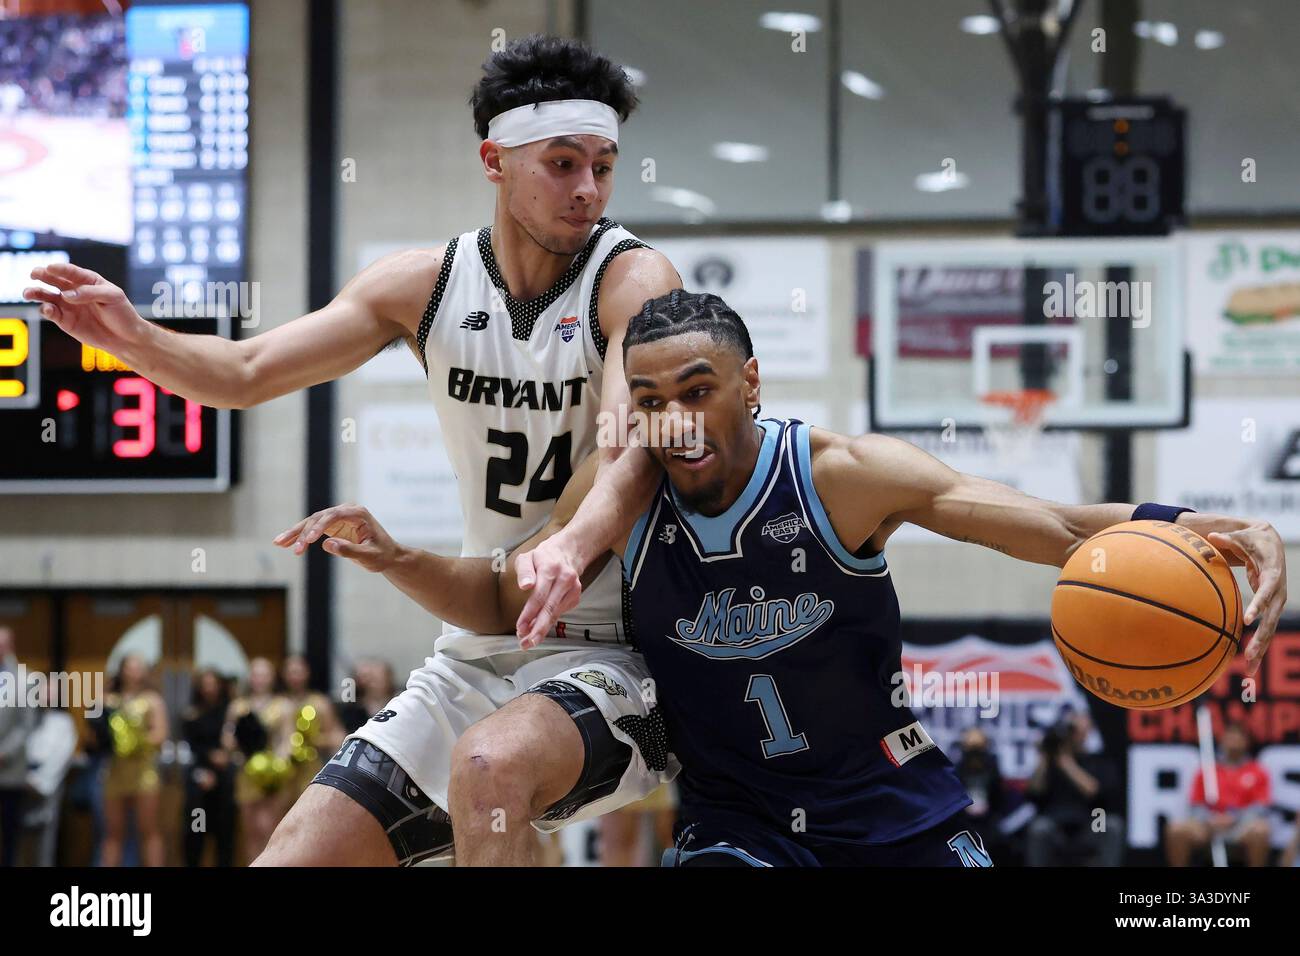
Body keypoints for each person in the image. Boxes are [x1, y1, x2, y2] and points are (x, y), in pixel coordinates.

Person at [289, 291, 1288, 865]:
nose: (675, 417)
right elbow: (507, 601)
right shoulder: (620, 496)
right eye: (649, 399)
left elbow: (1059, 525)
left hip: (898, 817)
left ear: (750, 383)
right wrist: (396, 557)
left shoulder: (841, 477)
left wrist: (1191, 525)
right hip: (742, 827)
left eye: (698, 391)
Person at [27, 33, 680, 867]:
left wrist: (575, 547)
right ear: (495, 160)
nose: (589, 188)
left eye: (604, 164)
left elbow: (634, 442)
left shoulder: (633, 279)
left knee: (489, 770)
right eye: (563, 163)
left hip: (620, 654)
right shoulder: (422, 284)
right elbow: (246, 369)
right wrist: (132, 336)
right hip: (482, 641)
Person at [1165, 721, 1273, 867]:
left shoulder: (1258, 771)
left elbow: (1261, 806)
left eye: (1238, 737)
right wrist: (1210, 819)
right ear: (1222, 740)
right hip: (1208, 824)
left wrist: (1234, 817)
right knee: (1176, 829)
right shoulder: (1207, 770)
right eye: (1230, 736)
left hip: (1241, 825)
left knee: (1261, 830)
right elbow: (1195, 804)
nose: (1234, 741)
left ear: (1246, 742)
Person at [1024, 711, 1125, 866]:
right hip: (1055, 826)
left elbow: (1094, 791)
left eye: (1076, 730)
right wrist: (1045, 756)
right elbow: (1034, 792)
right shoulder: (1049, 762)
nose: (1072, 735)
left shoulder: (1097, 759)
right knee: (1039, 828)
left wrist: (1066, 763)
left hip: (1089, 825)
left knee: (1112, 825)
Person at [101, 654, 169, 867]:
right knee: (112, 832)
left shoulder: (152, 699)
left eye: (138, 667)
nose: (133, 672)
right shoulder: (109, 699)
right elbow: (95, 731)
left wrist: (133, 741)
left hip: (143, 771)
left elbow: (160, 735)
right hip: (115, 770)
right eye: (129, 667)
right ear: (121, 670)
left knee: (149, 829)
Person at [224, 657, 292, 864]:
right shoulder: (238, 706)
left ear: (272, 678)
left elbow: (288, 739)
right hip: (247, 770)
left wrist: (277, 766)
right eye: (255, 674)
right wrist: (239, 747)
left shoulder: (283, 705)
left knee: (270, 829)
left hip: (273, 774)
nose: (259, 679)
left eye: (264, 674)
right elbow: (227, 738)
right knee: (250, 829)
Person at [181, 668, 236, 867]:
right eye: (205, 684)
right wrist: (208, 759)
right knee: (196, 831)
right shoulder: (191, 713)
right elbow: (192, 746)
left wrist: (224, 757)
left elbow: (236, 740)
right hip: (199, 781)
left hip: (224, 781)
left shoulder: (231, 710)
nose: (209, 688)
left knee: (224, 833)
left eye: (213, 683)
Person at [22, 676, 78, 867]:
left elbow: (61, 756)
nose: (47, 694)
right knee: (17, 839)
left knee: (45, 838)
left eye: (52, 690)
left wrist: (40, 781)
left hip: (47, 785)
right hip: (19, 782)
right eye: (44, 689)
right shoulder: (26, 716)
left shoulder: (64, 721)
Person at [0, 627, 35, 867]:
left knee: (9, 833)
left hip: (8, 770)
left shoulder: (25, 680)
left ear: (10, 646)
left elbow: (26, 725)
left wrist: (4, 752)